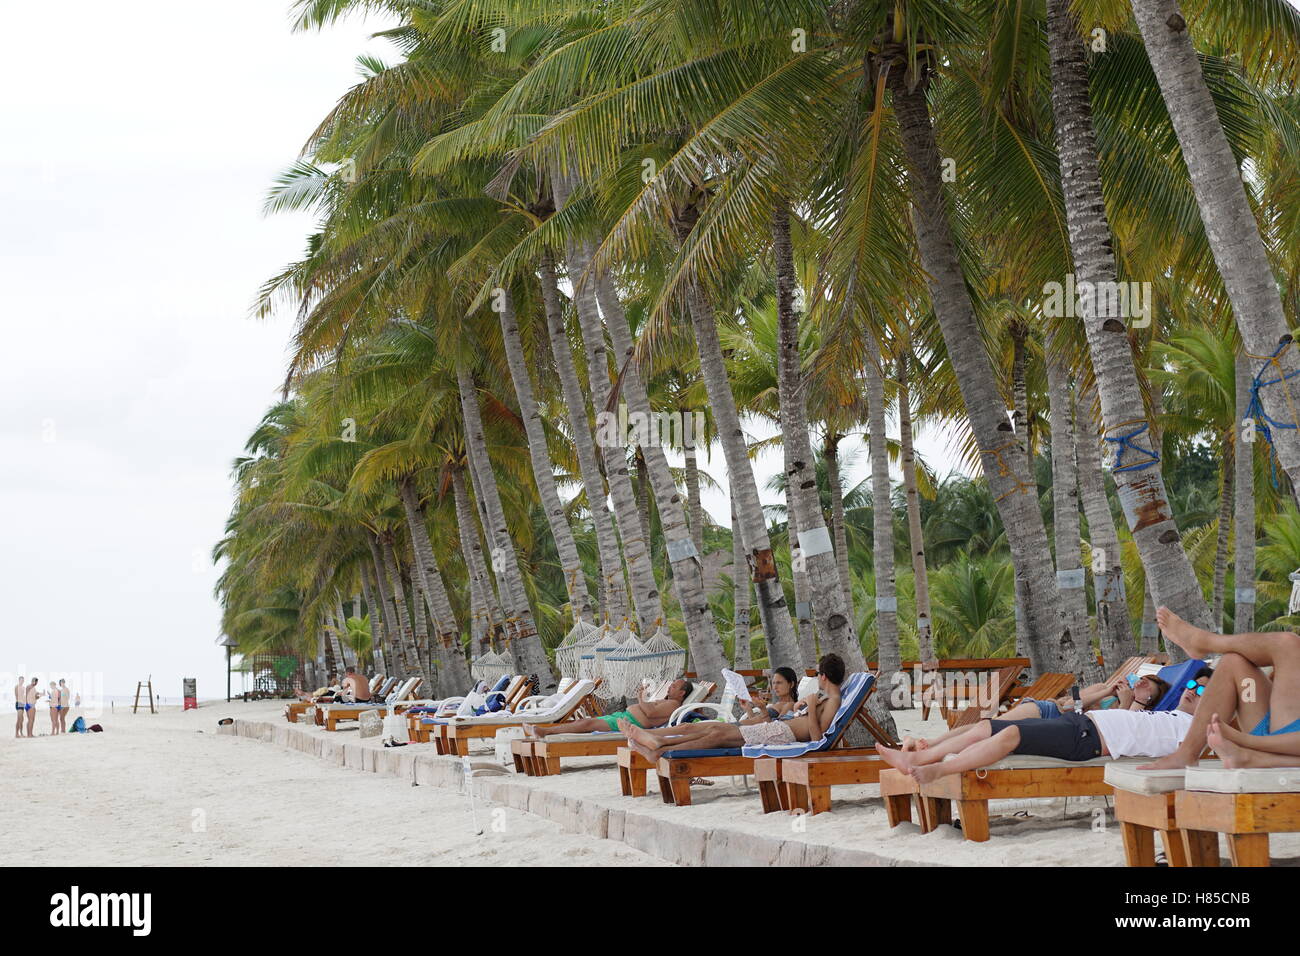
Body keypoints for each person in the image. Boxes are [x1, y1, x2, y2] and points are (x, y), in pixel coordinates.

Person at [877, 670, 1208, 784]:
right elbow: (1077, 700)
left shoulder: (1193, 730)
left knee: (1011, 733)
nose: (1194, 690)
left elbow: (1195, 756)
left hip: (1089, 738)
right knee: (985, 727)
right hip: (1078, 722)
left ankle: (937, 770)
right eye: (1193, 683)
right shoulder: (1171, 716)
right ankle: (921, 758)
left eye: (1205, 690)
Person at [1138, 606, 1300, 769]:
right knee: (1234, 662)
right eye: (1192, 686)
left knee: (1288, 644)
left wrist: (1241, 740)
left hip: (1285, 743)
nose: (1193, 690)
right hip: (1280, 737)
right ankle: (1186, 754)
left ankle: (1204, 642)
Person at [620, 655, 847, 762]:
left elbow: (818, 740)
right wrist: (806, 706)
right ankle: (657, 746)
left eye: (817, 674)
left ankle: (659, 745)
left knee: (716, 734)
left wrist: (809, 706)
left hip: (782, 733)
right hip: (779, 729)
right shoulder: (827, 698)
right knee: (714, 733)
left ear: (823, 676)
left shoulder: (833, 700)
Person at [902, 672, 1171, 753]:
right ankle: (932, 745)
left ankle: (931, 745)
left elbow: (1114, 730)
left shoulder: (1138, 713)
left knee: (987, 727)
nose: (1142, 682)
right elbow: (1069, 704)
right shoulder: (1105, 688)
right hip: (1047, 711)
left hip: (1065, 728)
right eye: (1142, 678)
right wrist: (1108, 692)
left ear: (1151, 699)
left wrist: (1124, 703)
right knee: (987, 728)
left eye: (1149, 685)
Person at [525, 677, 695, 739]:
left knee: (587, 725)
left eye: (674, 687)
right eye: (671, 685)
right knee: (586, 722)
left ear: (682, 693)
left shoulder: (673, 704)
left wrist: (640, 698)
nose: (670, 688)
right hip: (623, 716)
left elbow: (650, 713)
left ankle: (545, 731)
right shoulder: (666, 700)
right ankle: (545, 730)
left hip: (628, 723)